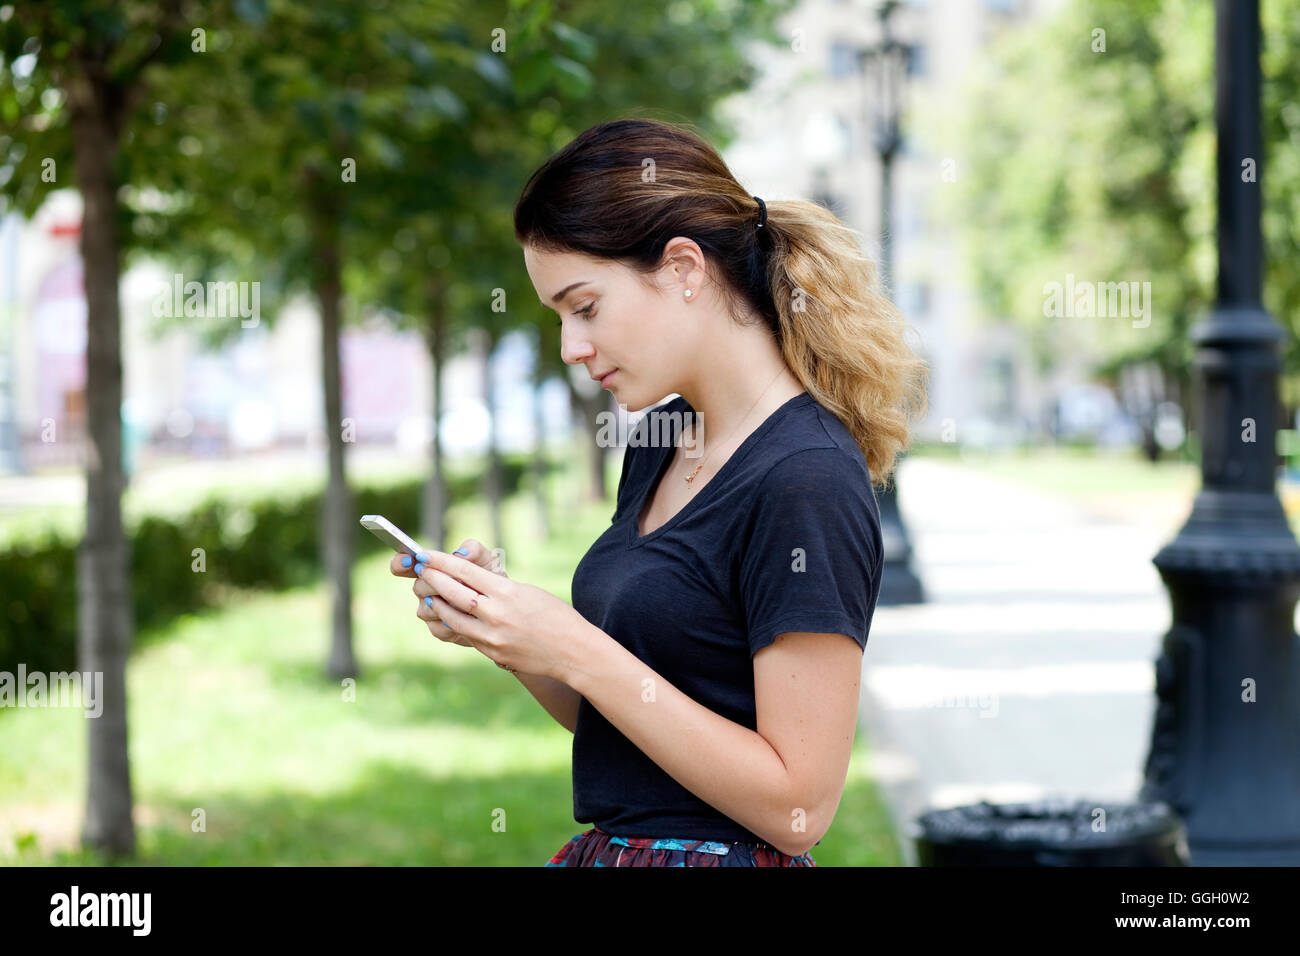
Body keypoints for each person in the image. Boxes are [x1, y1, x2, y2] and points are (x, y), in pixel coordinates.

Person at [392, 117, 929, 866]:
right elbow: (628, 724)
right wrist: (509, 630)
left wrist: (575, 646)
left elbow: (800, 806)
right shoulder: (659, 439)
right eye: (558, 318)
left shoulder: (805, 477)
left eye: (584, 307)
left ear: (683, 268)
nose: (571, 348)